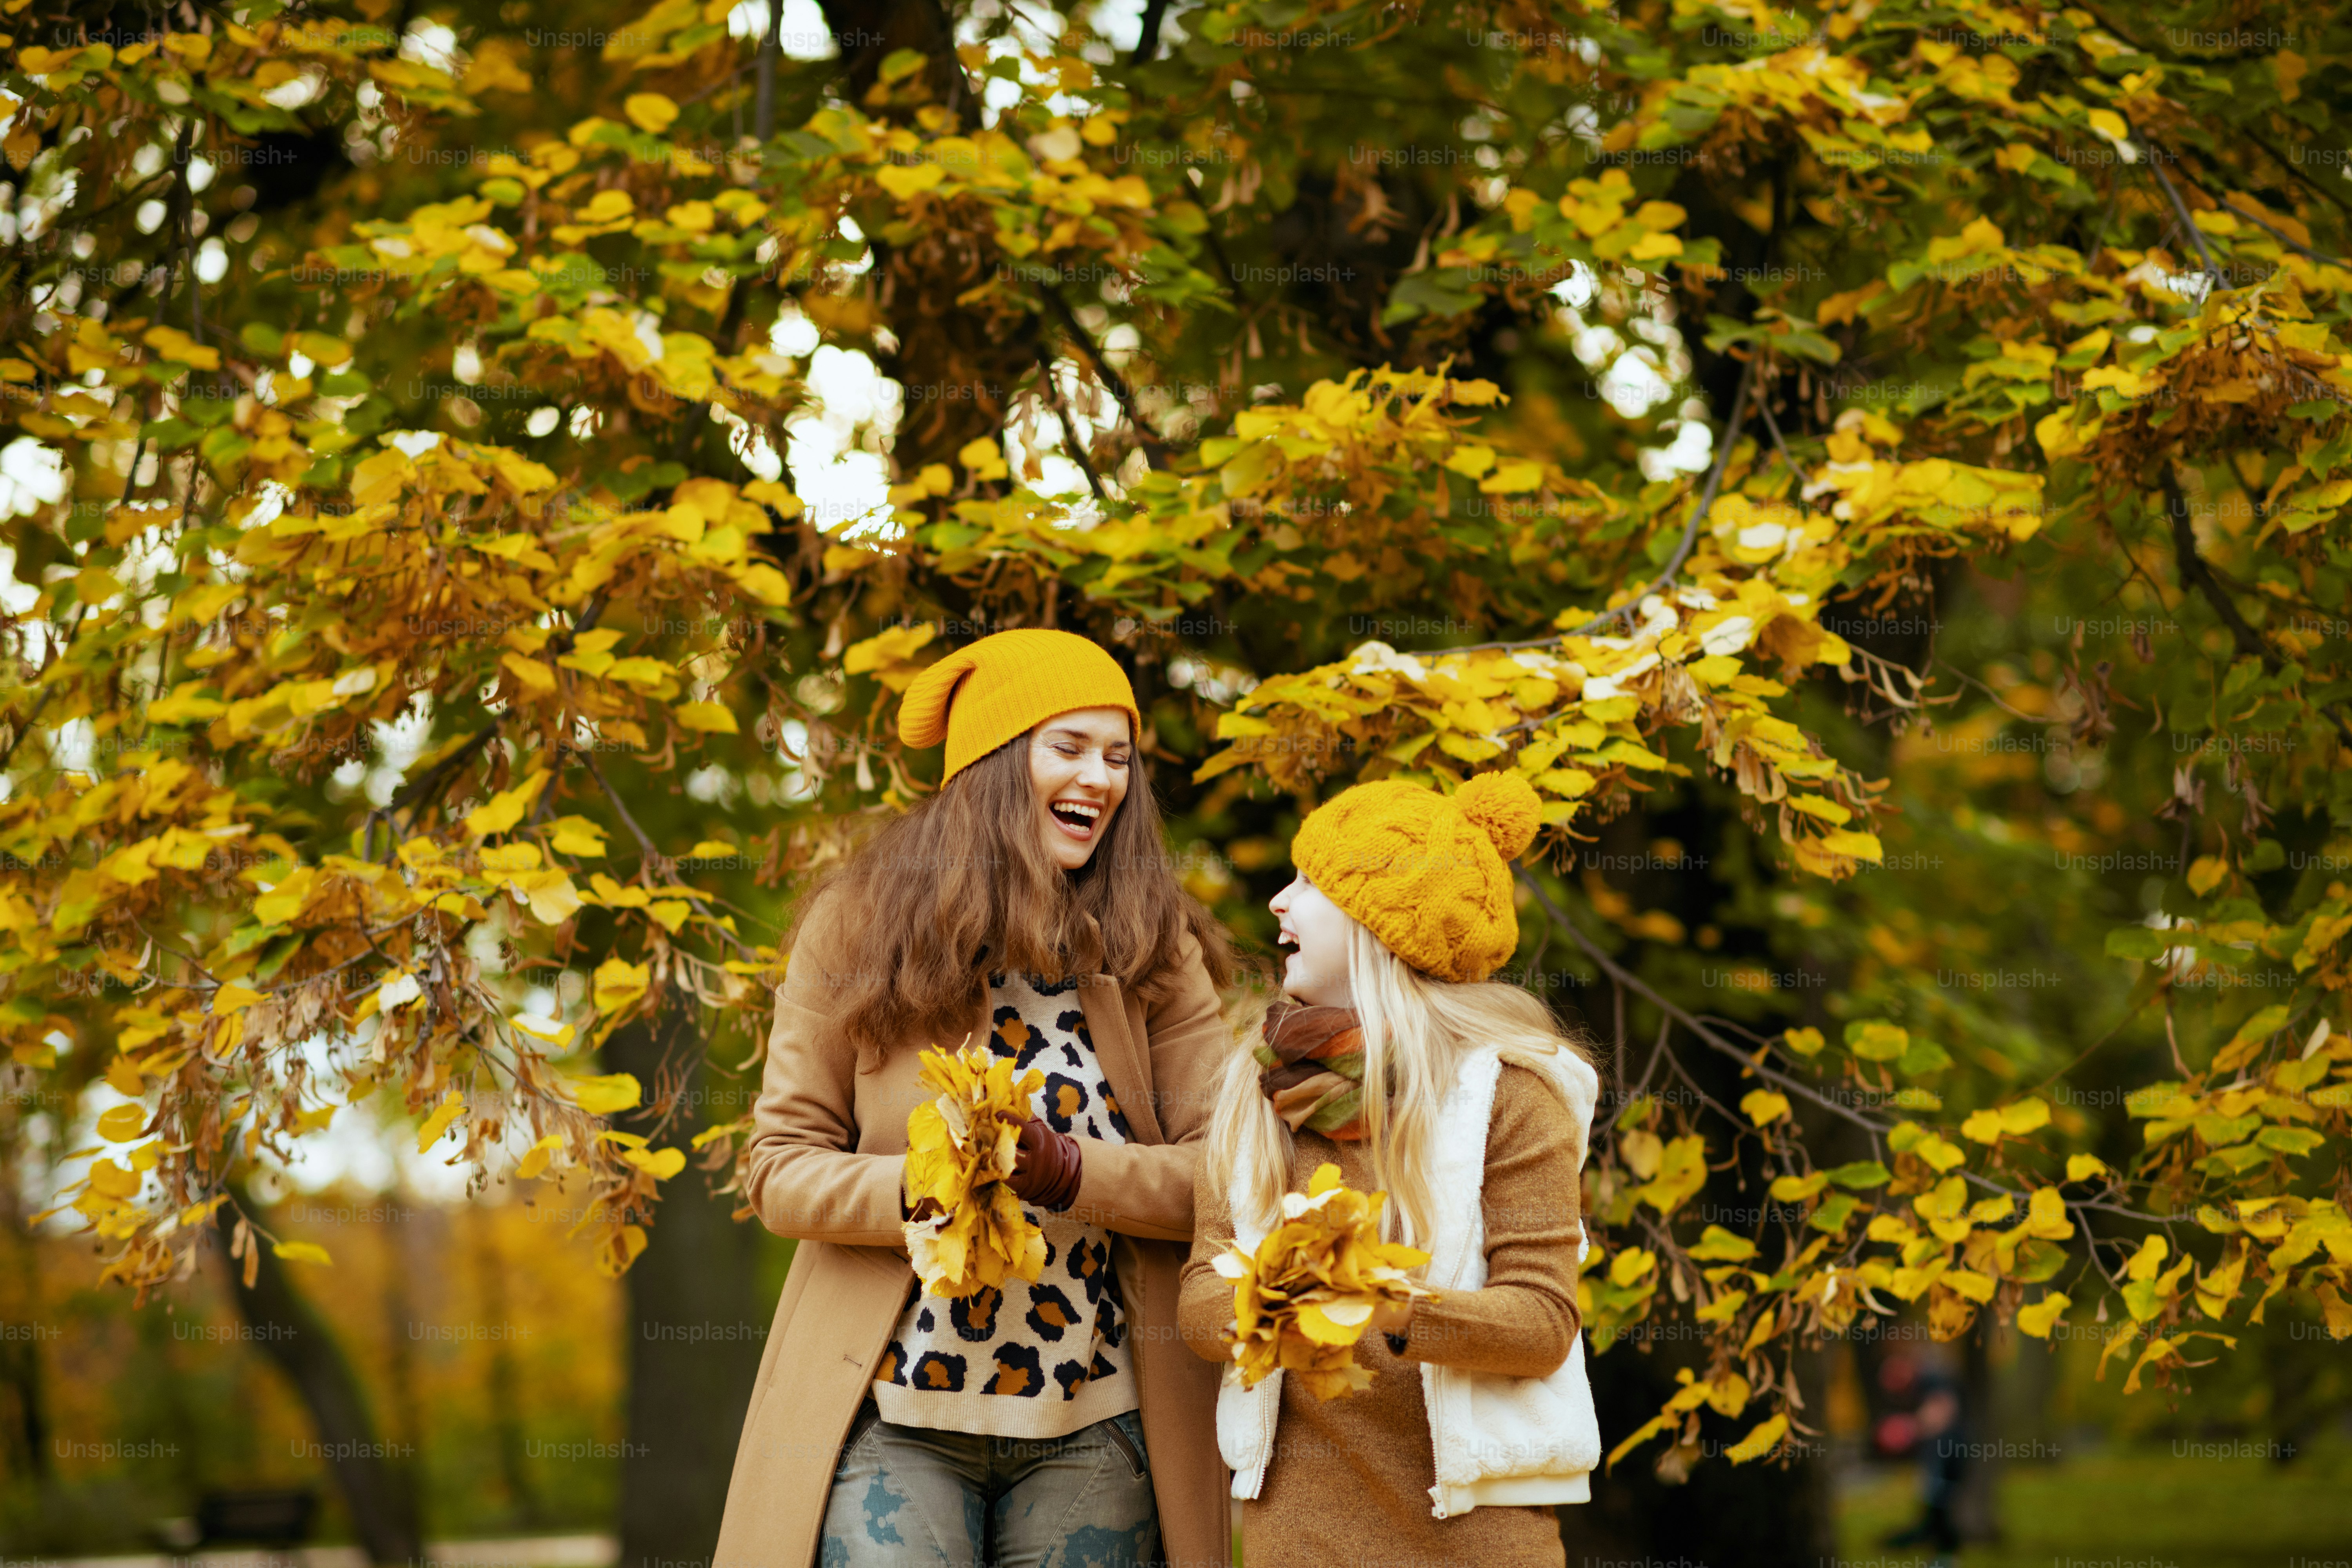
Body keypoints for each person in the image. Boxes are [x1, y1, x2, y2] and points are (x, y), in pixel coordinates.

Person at [714, 628, 1234, 1568]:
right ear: (996, 764)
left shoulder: (1156, 942)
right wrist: (924, 1185)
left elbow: (1228, 1175)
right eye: (1068, 747)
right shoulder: (860, 925)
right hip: (891, 1412)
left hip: (1098, 1419)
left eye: (1118, 756)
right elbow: (779, 1168)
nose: (1102, 778)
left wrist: (1072, 1171)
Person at [1179, 771, 1602, 1568]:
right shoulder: (1253, 1087)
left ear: (1384, 925)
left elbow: (1544, 1321)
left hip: (1477, 1534)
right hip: (1296, 1534)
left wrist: (1382, 1301)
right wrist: (1267, 1295)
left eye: (1310, 881)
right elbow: (1200, 1299)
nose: (1278, 899)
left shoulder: (1508, 1092)